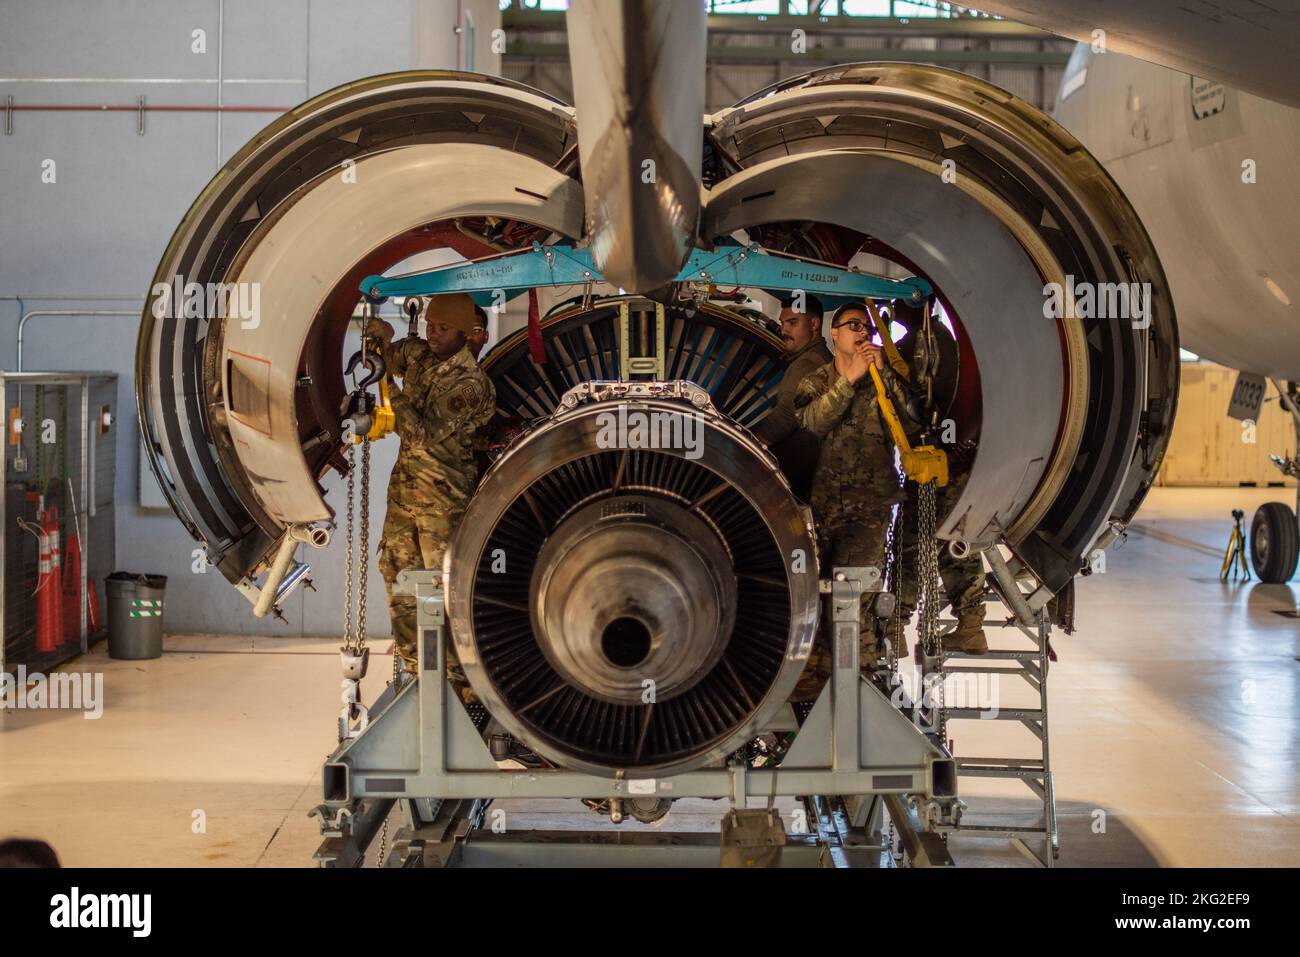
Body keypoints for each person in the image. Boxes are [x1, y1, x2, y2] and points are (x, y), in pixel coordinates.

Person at [365, 293, 496, 700]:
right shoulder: (422, 356)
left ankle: (464, 692)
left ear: (465, 334)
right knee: (397, 579)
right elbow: (392, 353)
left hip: (444, 507)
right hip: (405, 499)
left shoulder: (470, 385)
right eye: (430, 325)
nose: (432, 333)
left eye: (442, 328)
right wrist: (379, 339)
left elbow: (419, 432)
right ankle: (416, 678)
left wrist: (386, 378)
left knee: (447, 595)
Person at [790, 302, 915, 698]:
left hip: (869, 509)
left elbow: (911, 424)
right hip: (825, 507)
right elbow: (813, 422)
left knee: (852, 596)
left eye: (868, 327)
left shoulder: (885, 380)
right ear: (834, 333)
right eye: (854, 326)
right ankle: (815, 679)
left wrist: (884, 377)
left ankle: (860, 684)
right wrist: (849, 381)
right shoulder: (818, 379)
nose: (863, 333)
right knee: (812, 592)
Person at [891, 298, 987, 655]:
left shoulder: (926, 344)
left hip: (935, 462)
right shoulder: (941, 339)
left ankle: (896, 627)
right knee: (954, 542)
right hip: (949, 460)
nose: (897, 310)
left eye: (902, 304)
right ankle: (971, 625)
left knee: (914, 543)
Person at [756, 294, 832, 500]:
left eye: (792, 323)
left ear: (814, 324)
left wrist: (752, 446)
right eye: (783, 323)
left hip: (796, 469)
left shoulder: (808, 363)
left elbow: (787, 415)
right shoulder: (819, 358)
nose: (784, 330)